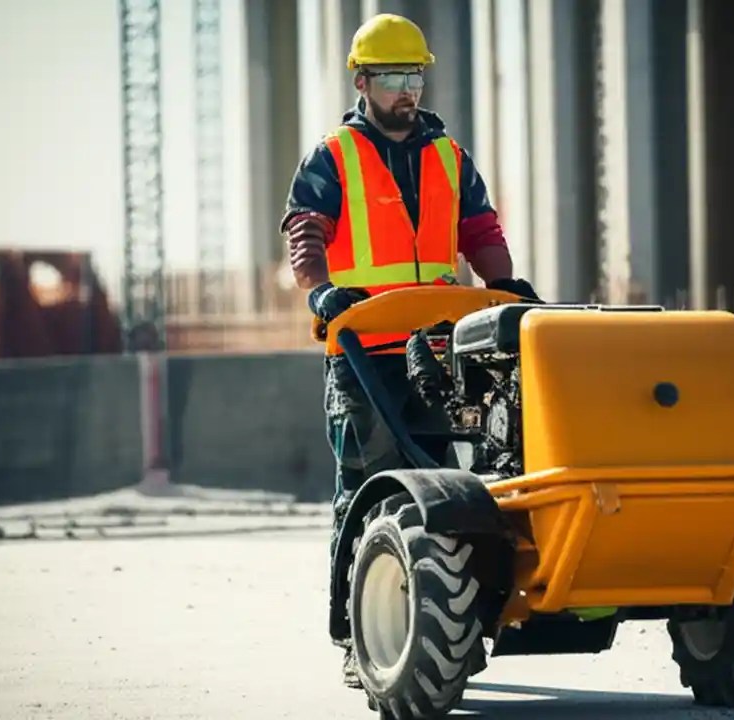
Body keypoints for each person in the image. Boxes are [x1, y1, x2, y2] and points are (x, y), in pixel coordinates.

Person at [279, 13, 537, 688]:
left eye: (414, 75)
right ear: (362, 81)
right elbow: (306, 231)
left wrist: (502, 281)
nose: (407, 90)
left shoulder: (448, 155)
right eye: (393, 77)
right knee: (366, 486)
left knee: (462, 480)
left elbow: (479, 227)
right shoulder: (333, 155)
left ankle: (458, 616)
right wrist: (322, 291)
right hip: (364, 348)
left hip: (440, 347)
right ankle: (356, 634)